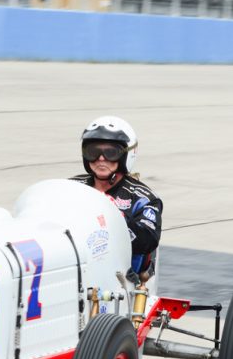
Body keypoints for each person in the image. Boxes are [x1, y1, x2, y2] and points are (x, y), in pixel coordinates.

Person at [70, 116, 163, 277]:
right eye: (93, 151)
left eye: (110, 153)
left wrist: (118, 218)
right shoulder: (72, 187)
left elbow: (148, 242)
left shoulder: (144, 198)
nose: (100, 158)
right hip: (76, 269)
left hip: (120, 281)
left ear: (125, 156)